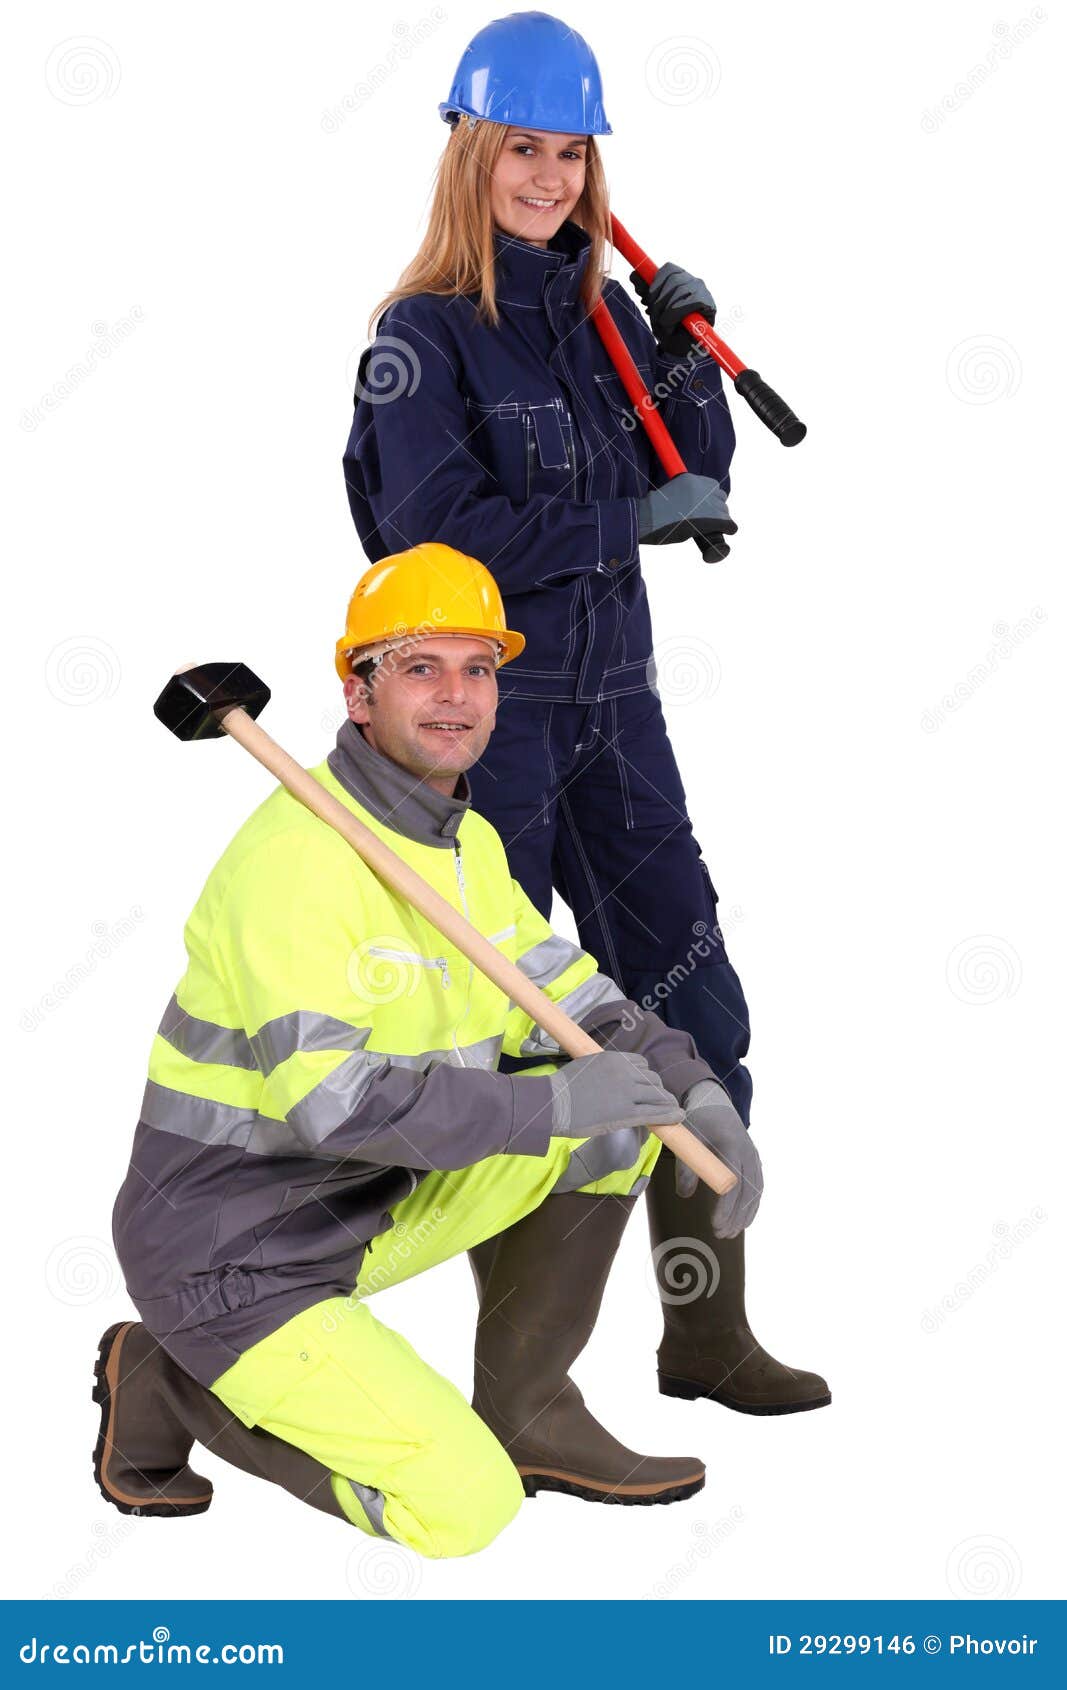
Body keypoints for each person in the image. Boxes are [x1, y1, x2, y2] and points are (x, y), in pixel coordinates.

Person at [342, 13, 829, 1414]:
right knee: (506, 1047)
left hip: (622, 720)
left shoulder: (604, 316)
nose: (549, 178)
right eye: (521, 150)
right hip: (483, 730)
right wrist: (624, 512)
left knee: (696, 1017)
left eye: (571, 151)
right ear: (470, 155)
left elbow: (695, 466)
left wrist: (675, 348)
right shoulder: (420, 338)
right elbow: (433, 530)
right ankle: (515, 1388)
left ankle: (704, 1334)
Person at [97, 545, 764, 1558]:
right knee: (463, 1510)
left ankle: (526, 1413)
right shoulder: (294, 863)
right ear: (359, 693)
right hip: (232, 1260)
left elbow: (573, 1001)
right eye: (420, 667)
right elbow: (332, 1106)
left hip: (366, 1207)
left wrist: (692, 1088)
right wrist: (551, 1106)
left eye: (478, 668)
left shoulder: (462, 845)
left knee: (623, 1120)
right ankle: (178, 1375)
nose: (456, 696)